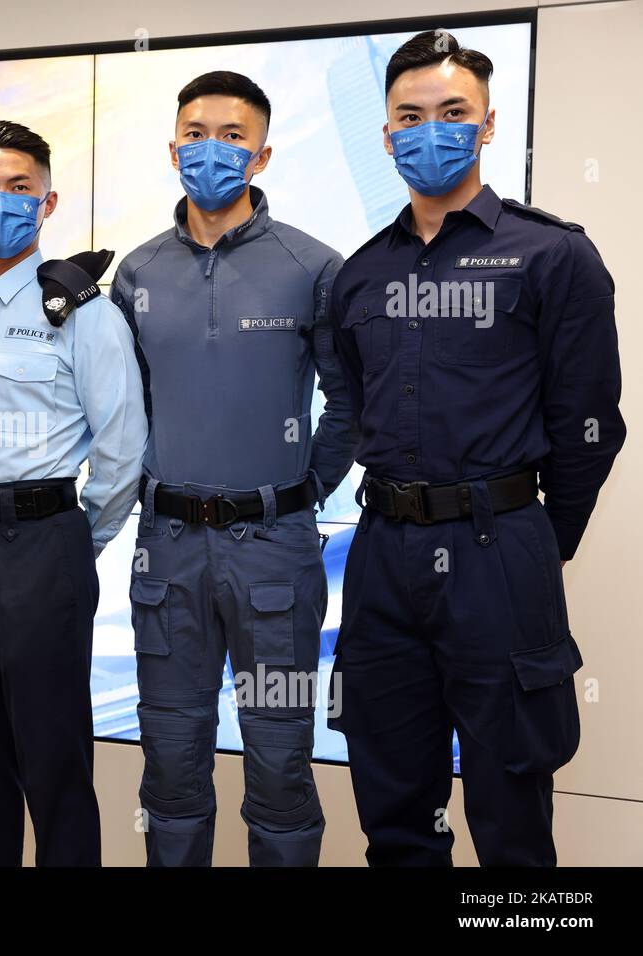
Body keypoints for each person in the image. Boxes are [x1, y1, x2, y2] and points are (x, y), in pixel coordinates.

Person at [329, 30, 625, 866]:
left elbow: (590, 427)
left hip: (500, 550)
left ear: (488, 124)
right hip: (382, 554)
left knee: (510, 806)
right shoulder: (359, 276)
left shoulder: (551, 254)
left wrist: (533, 540)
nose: (432, 131)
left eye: (453, 113)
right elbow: (353, 407)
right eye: (411, 117)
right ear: (387, 135)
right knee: (392, 805)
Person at [112, 71, 355, 867]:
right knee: (171, 762)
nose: (209, 149)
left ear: (263, 153)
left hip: (273, 549)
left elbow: (347, 403)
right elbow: (126, 407)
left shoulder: (312, 265)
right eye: (194, 132)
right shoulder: (138, 273)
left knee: (281, 760)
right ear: (171, 145)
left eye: (231, 135)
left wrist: (297, 492)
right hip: (168, 551)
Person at [0, 120, 146, 866]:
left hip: (43, 544)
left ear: (47, 203)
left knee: (52, 758)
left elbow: (122, 450)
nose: (0, 202)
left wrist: (74, 537)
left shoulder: (85, 312)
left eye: (19, 187)